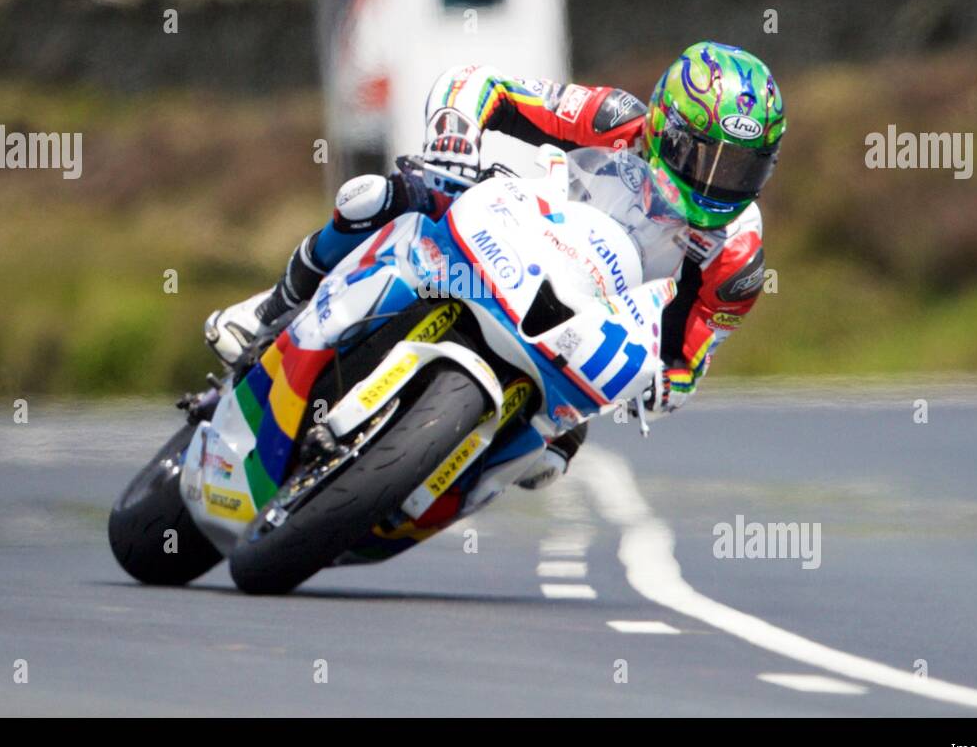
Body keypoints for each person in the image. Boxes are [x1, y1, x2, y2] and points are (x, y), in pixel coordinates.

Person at [204, 41, 784, 488]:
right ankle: (271, 308)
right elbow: (484, 86)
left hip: (584, 319)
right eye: (705, 158)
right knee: (383, 198)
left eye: (739, 170)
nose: (715, 183)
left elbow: (690, 354)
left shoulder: (738, 256)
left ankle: (440, 482)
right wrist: (455, 137)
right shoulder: (614, 118)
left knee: (555, 455)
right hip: (514, 233)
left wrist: (666, 385)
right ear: (665, 127)